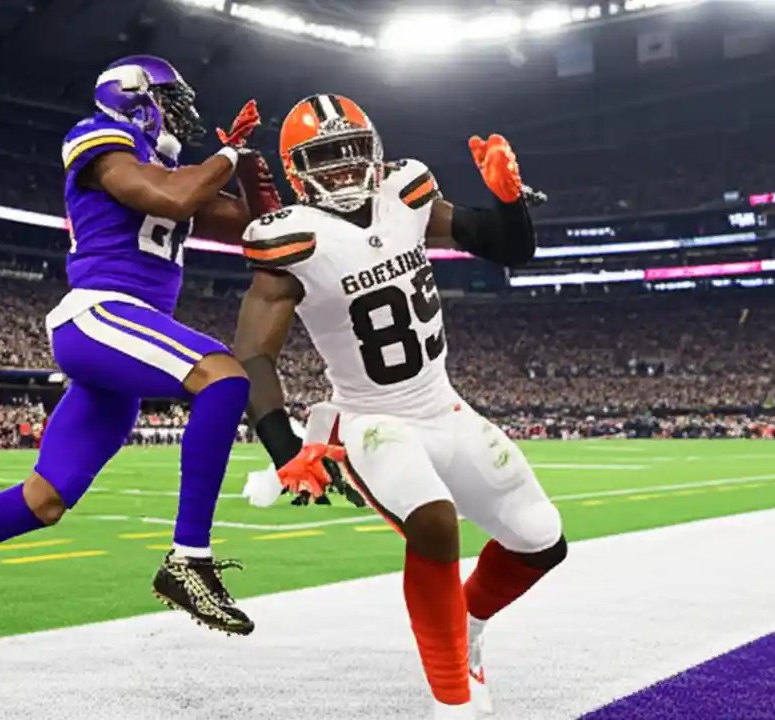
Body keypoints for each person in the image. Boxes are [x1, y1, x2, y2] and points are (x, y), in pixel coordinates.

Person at [0, 54, 278, 642]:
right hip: (99, 314)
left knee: (44, 500)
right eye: (169, 99)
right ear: (132, 97)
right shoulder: (101, 139)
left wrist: (247, 165)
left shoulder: (172, 168)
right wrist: (226, 156)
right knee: (222, 378)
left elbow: (261, 230)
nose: (179, 113)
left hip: (127, 338)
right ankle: (188, 558)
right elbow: (169, 199)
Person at [232, 95, 566, 720]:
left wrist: (508, 198)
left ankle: (465, 625)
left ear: (375, 152)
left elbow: (509, 249)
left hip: (443, 406)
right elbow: (252, 354)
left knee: (541, 541)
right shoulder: (294, 241)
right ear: (298, 171)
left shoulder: (405, 197)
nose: (341, 170)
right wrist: (287, 449)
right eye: (323, 160)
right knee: (435, 522)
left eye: (351, 153)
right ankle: (452, 700)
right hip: (372, 417)